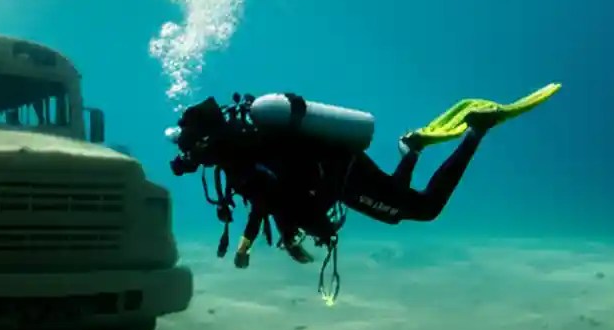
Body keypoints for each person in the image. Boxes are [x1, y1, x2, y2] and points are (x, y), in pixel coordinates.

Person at [168, 86, 559, 299]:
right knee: (394, 204)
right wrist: (266, 239)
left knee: (422, 209)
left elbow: (268, 200)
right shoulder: (241, 145)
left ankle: (476, 130)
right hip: (340, 170)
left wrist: (249, 245)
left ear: (203, 143)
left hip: (343, 176)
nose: (187, 159)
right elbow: (273, 195)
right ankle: (411, 149)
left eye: (187, 151)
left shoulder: (237, 158)